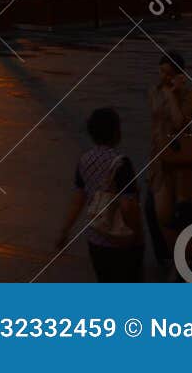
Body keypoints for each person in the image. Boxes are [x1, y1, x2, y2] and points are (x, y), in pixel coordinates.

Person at [55, 107, 144, 281]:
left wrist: (65, 230)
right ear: (116, 133)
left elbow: (78, 199)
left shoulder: (84, 160)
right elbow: (128, 205)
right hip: (122, 240)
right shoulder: (121, 163)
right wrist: (138, 233)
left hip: (96, 237)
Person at [146, 52, 192, 266]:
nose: (164, 77)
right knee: (150, 208)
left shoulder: (189, 95)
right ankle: (166, 255)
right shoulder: (154, 90)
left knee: (178, 211)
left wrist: (172, 95)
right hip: (157, 156)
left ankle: (184, 257)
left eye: (169, 73)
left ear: (179, 75)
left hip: (179, 159)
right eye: (161, 71)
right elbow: (156, 116)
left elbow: (179, 124)